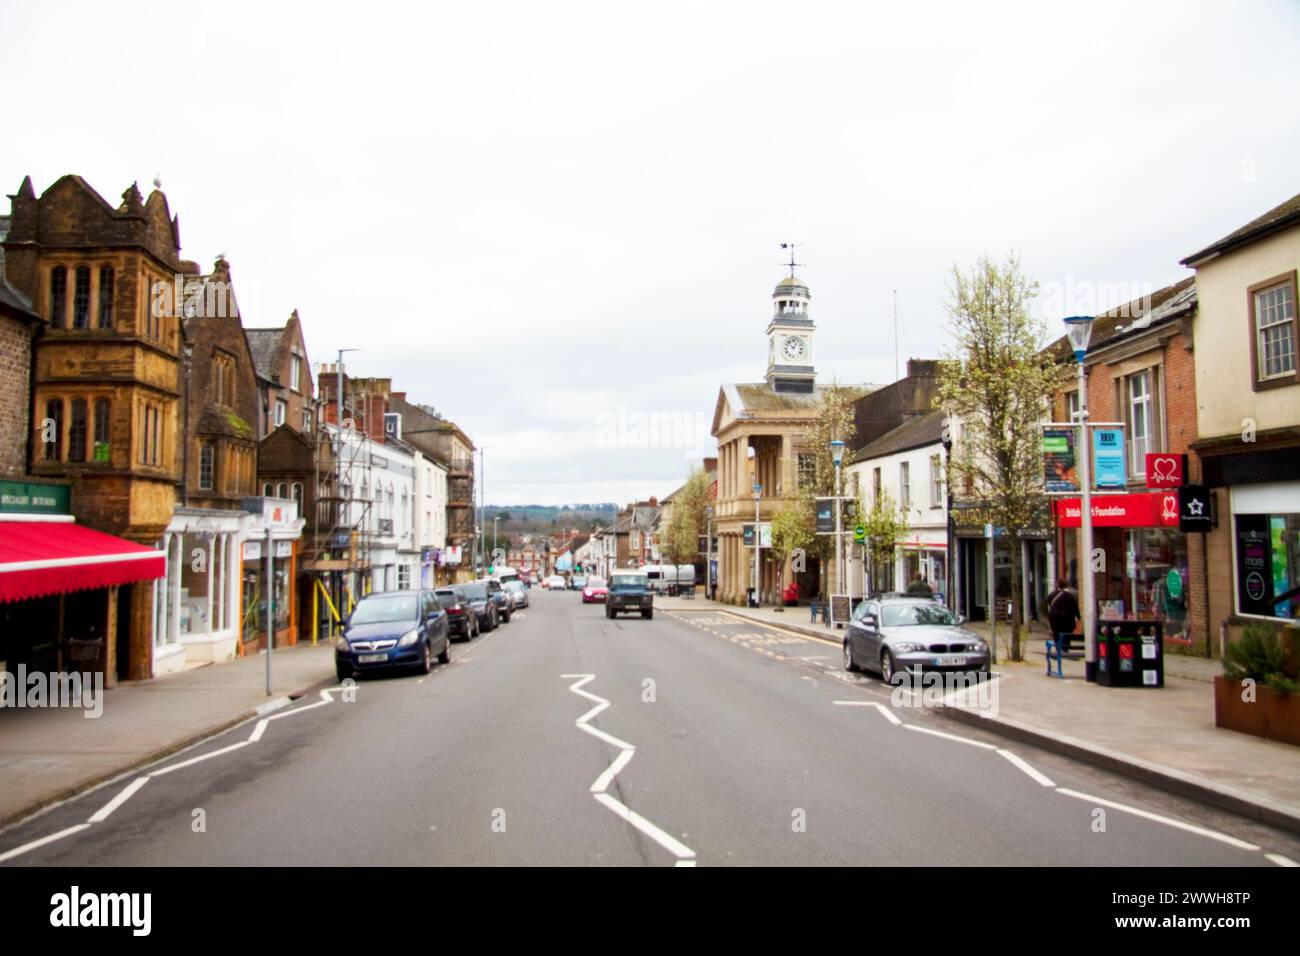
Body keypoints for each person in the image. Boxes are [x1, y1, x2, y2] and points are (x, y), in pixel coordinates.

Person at [1045, 578, 1081, 652]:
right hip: (1067, 619)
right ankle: (1065, 648)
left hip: (1054, 618)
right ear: (1066, 586)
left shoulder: (1052, 595)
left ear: (1058, 585)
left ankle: (1058, 648)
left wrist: (1048, 616)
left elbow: (1047, 605)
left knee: (1056, 632)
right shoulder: (1070, 596)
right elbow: (1075, 607)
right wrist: (1078, 618)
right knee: (1067, 633)